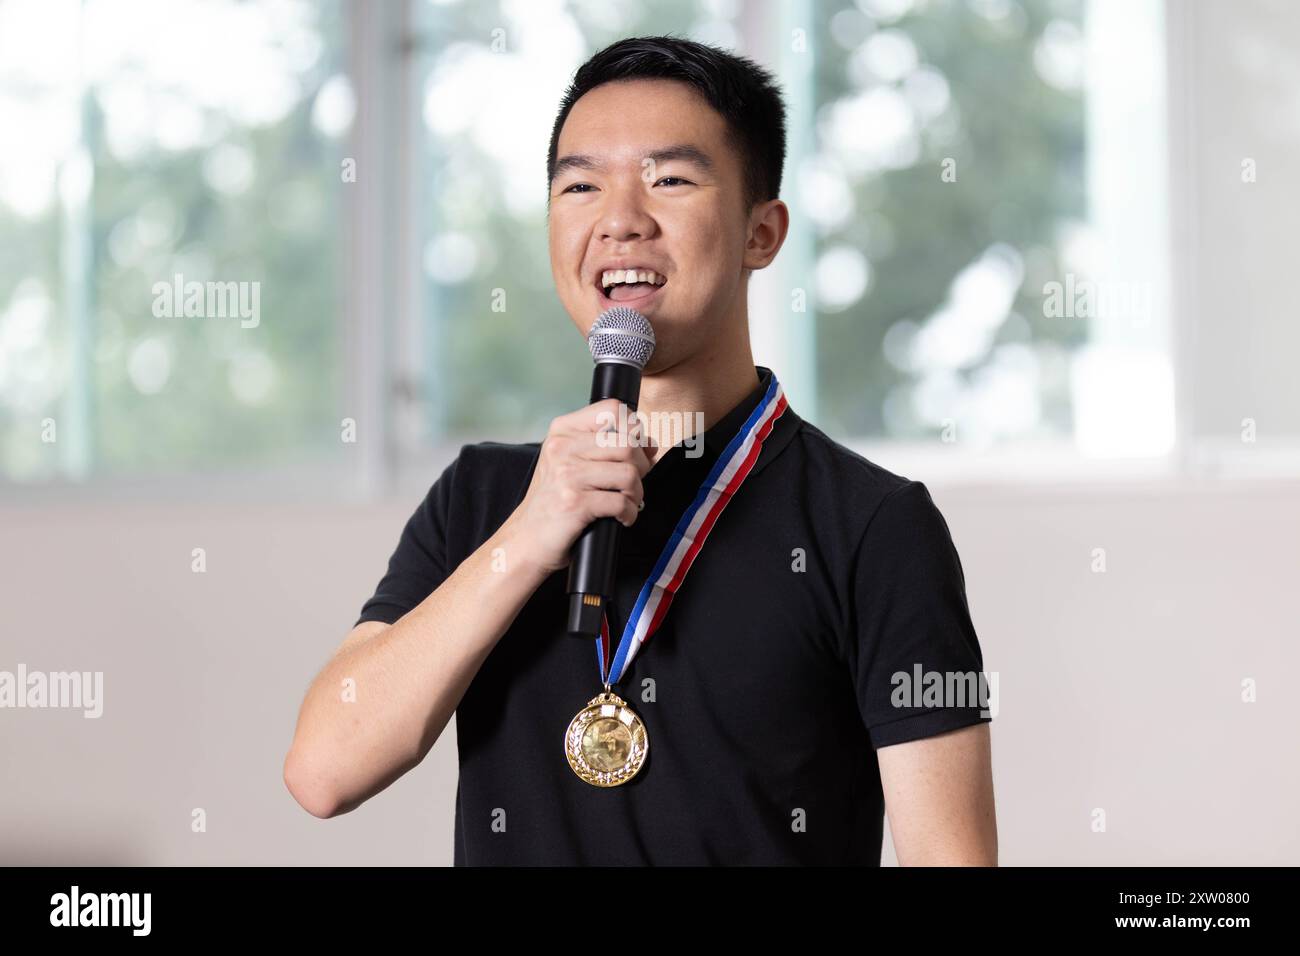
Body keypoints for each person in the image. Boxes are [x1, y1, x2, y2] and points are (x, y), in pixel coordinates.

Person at [284, 35, 997, 866]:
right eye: (581, 185)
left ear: (762, 233)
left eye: (669, 179)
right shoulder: (483, 496)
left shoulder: (873, 525)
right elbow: (323, 771)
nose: (620, 220)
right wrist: (527, 538)